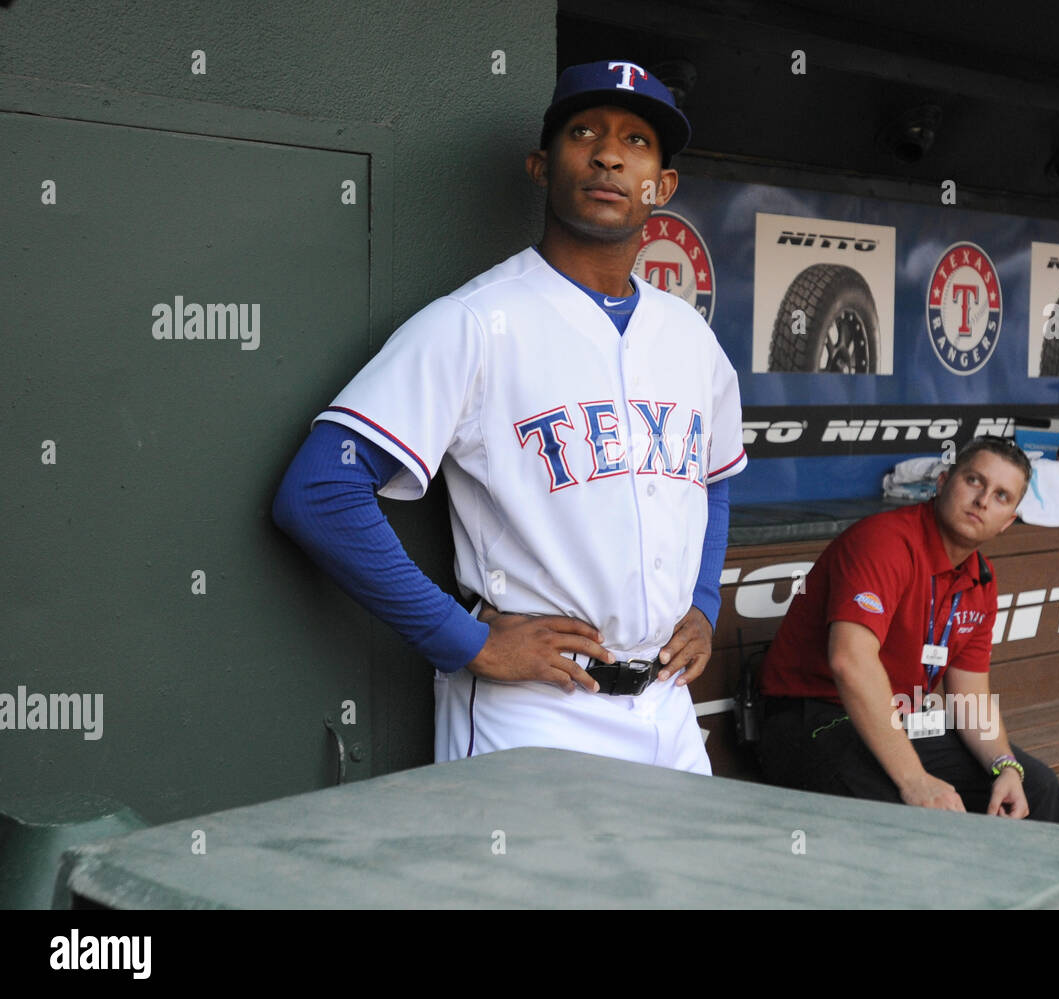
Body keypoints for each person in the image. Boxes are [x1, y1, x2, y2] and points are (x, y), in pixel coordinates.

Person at [272, 60, 746, 775]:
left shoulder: (691, 338)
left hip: (667, 705)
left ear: (663, 185)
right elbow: (318, 492)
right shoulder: (474, 322)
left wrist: (704, 602)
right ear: (540, 166)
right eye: (583, 132)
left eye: (637, 140)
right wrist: (464, 639)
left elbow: (715, 478)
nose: (609, 154)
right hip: (533, 707)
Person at [758, 437, 1059, 821]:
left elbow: (969, 695)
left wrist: (1005, 766)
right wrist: (915, 779)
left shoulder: (981, 581)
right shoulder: (886, 541)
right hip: (812, 718)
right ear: (942, 482)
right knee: (905, 813)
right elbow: (849, 661)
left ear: (1007, 522)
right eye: (974, 481)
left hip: (898, 719)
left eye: (1001, 496)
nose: (983, 500)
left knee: (1036, 787)